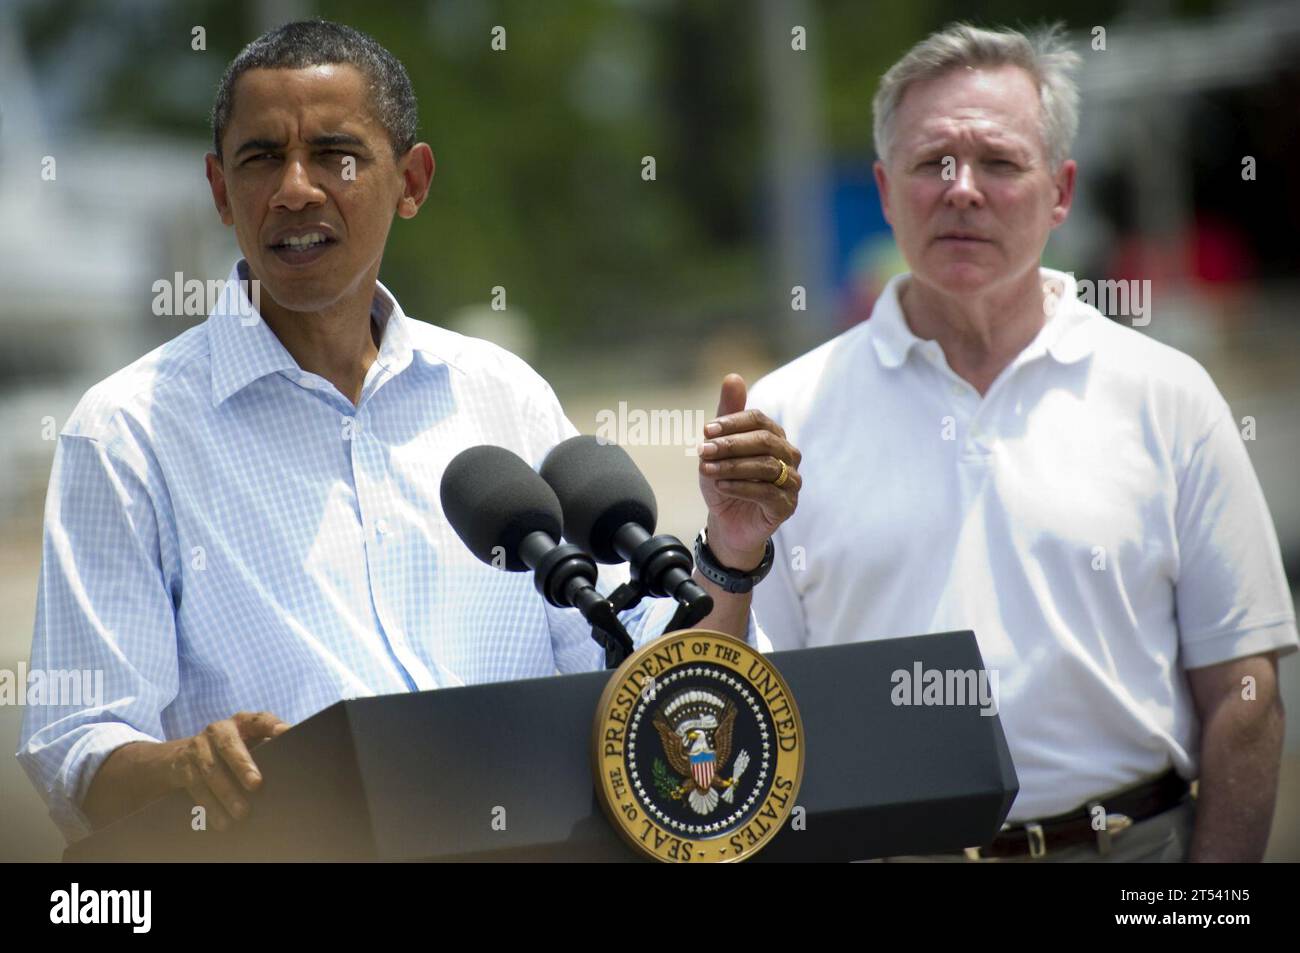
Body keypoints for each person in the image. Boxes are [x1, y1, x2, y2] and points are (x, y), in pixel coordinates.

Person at [17, 20, 803, 843]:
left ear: (412, 180)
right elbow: (78, 748)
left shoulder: (503, 393)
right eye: (260, 159)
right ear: (220, 190)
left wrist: (732, 547)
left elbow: (664, 695)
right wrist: (187, 767)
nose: (294, 188)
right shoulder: (126, 434)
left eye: (335, 155)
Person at [749, 22, 1296, 862]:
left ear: (1060, 190)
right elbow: (752, 698)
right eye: (932, 162)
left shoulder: (1166, 393)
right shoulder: (785, 411)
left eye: (999, 163)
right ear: (886, 190)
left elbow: (1246, 692)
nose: (961, 189)